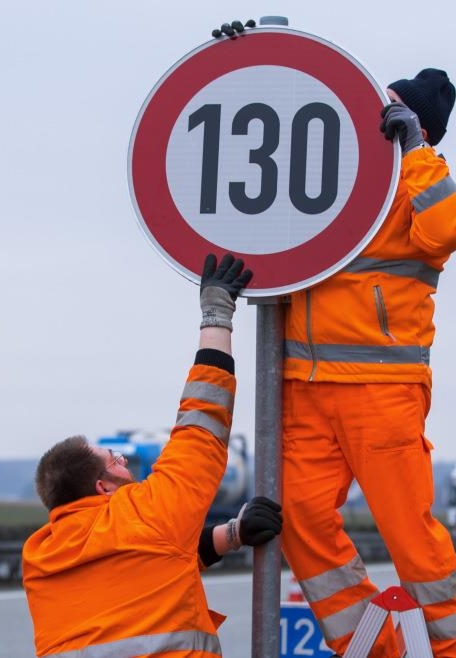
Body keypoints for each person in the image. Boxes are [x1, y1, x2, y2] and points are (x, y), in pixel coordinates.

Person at [281, 69, 456, 657]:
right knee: (300, 523)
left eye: (393, 108)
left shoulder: (427, 183)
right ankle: (375, 652)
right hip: (303, 386)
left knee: (413, 545)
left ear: (419, 126)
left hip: (382, 390)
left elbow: (449, 228)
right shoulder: (335, 174)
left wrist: (415, 153)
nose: (376, 112)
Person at [22, 254, 280, 658]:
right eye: (113, 459)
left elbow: (149, 564)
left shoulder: (41, 557)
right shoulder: (143, 514)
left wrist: (233, 535)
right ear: (102, 487)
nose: (124, 460)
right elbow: (201, 426)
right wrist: (216, 313)